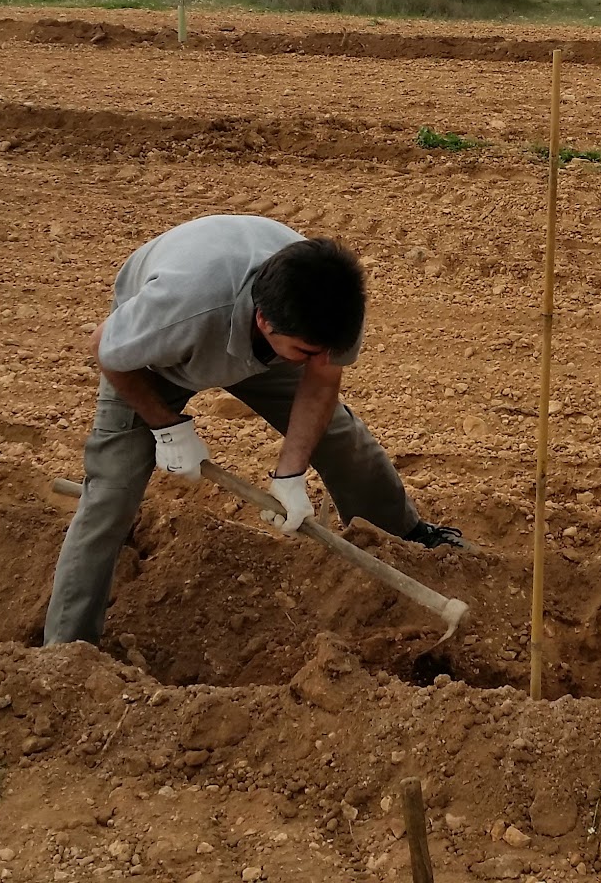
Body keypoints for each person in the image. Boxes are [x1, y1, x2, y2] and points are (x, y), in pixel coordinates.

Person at [43, 214, 464, 646]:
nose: (319, 358)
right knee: (111, 492)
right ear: (264, 322)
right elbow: (105, 349)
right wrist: (167, 428)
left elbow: (321, 378)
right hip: (157, 354)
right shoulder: (180, 309)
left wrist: (290, 474)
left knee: (341, 439)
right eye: (307, 351)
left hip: (263, 344)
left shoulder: (332, 308)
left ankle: (406, 538)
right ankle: (66, 646)